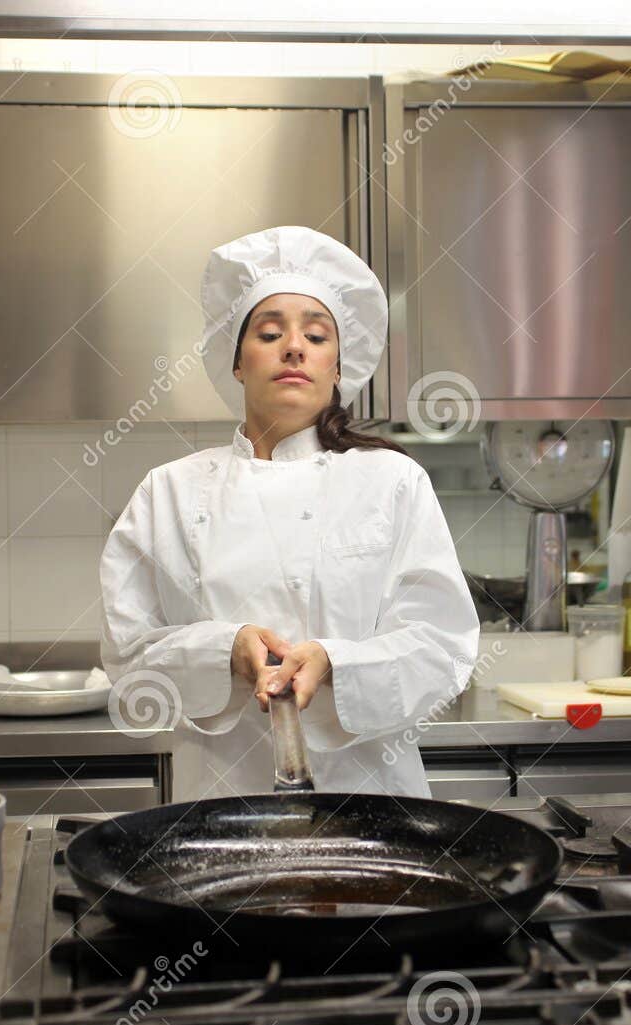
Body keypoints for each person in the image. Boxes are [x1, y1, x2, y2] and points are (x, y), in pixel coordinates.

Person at [100, 225, 478, 799]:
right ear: (237, 362)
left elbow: (442, 646)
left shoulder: (393, 481)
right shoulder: (168, 492)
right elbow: (129, 661)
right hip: (221, 798)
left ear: (337, 368)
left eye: (317, 335)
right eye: (270, 332)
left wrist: (337, 662)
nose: (294, 347)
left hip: (370, 798)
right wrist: (223, 650)